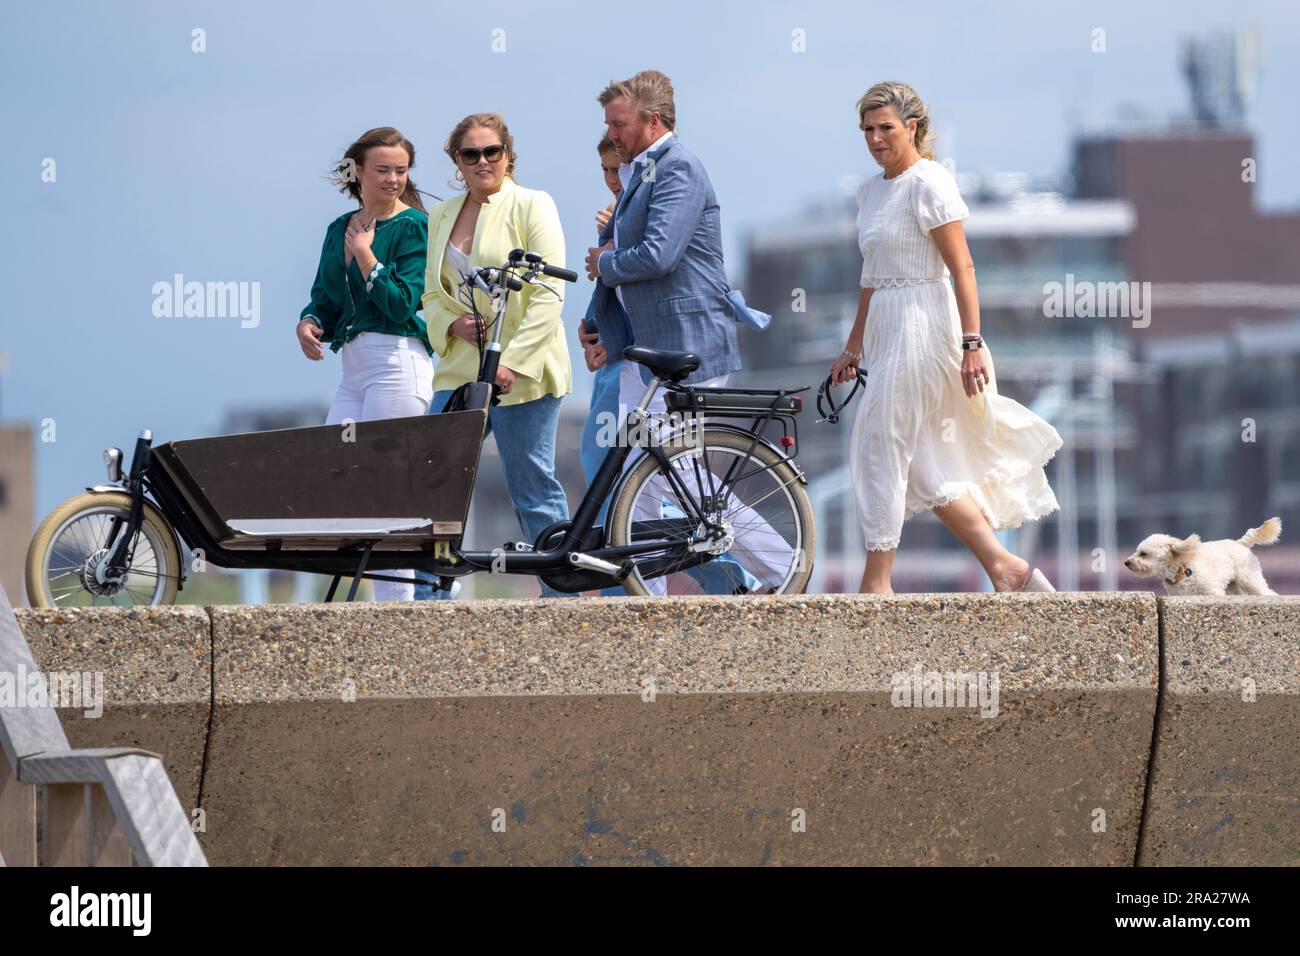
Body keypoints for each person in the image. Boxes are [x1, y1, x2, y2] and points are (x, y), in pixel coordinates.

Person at [828, 81, 1063, 594]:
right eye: (866, 129)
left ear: (912, 127)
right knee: (925, 465)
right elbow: (872, 277)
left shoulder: (929, 181)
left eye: (885, 127)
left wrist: (973, 343)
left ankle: (877, 583)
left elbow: (963, 267)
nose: (874, 138)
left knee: (878, 442)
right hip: (887, 325)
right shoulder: (869, 192)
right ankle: (1008, 569)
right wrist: (853, 346)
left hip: (924, 325)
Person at [585, 70, 788, 595]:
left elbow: (658, 254)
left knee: (683, 474)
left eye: (619, 123)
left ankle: (782, 569)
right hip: (645, 349)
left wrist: (606, 263)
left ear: (653, 121)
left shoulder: (679, 169)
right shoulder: (640, 172)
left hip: (684, 346)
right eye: (608, 124)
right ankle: (644, 599)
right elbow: (625, 261)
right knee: (636, 476)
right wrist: (597, 321)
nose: (611, 134)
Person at [413, 112, 572, 600]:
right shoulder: (441, 214)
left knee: (532, 489)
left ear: (508, 155)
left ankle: (562, 596)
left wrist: (512, 361)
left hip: (522, 370)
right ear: (456, 161)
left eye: (492, 152)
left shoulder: (532, 204)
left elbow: (549, 293)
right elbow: (430, 295)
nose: (483, 161)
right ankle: (431, 597)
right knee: (432, 483)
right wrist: (451, 324)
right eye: (470, 154)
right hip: (459, 368)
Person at [296, 127, 432, 602]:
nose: (393, 179)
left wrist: (367, 256)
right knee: (338, 479)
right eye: (383, 170)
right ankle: (373, 601)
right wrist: (310, 322)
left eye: (401, 170)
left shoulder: (413, 226)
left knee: (386, 492)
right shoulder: (339, 228)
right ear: (358, 171)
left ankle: (398, 613)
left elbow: (402, 304)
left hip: (396, 362)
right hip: (353, 368)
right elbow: (325, 298)